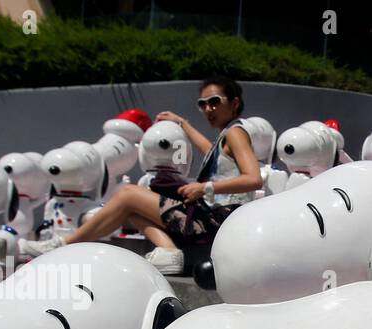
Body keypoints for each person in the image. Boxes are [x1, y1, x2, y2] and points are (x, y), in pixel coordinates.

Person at [23, 77, 263, 275]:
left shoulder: (235, 133)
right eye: (203, 104)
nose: (208, 109)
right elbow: (209, 150)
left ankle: (63, 244)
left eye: (214, 102)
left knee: (128, 193)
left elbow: (253, 179)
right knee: (131, 209)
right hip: (211, 220)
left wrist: (204, 188)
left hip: (216, 222)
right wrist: (182, 123)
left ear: (234, 103)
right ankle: (168, 252)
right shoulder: (227, 135)